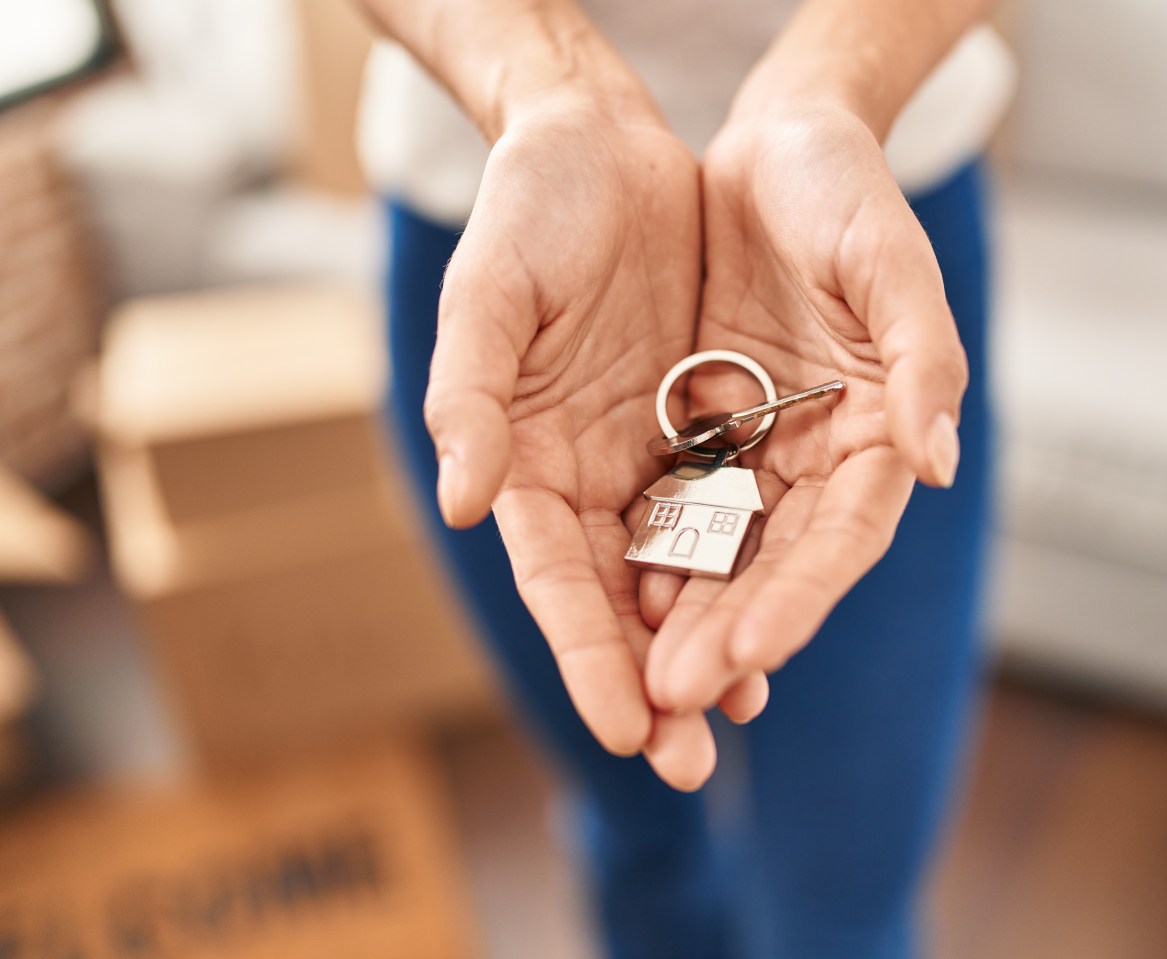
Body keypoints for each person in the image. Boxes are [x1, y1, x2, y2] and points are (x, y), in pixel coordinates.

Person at [355, 1, 1012, 955]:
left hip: (867, 215)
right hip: (510, 229)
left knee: (842, 901)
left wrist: (831, 84)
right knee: (634, 824)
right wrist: (544, 89)